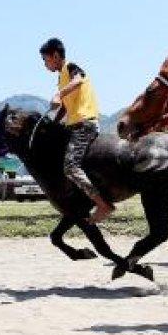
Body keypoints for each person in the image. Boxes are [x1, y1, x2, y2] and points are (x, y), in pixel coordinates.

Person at [40, 37, 113, 224]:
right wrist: (51, 124)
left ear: (55, 55)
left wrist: (59, 93)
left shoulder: (71, 67)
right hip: (75, 124)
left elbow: (79, 80)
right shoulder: (61, 78)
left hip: (85, 123)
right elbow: (64, 108)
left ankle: (102, 204)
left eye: (45, 59)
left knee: (71, 167)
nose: (45, 64)